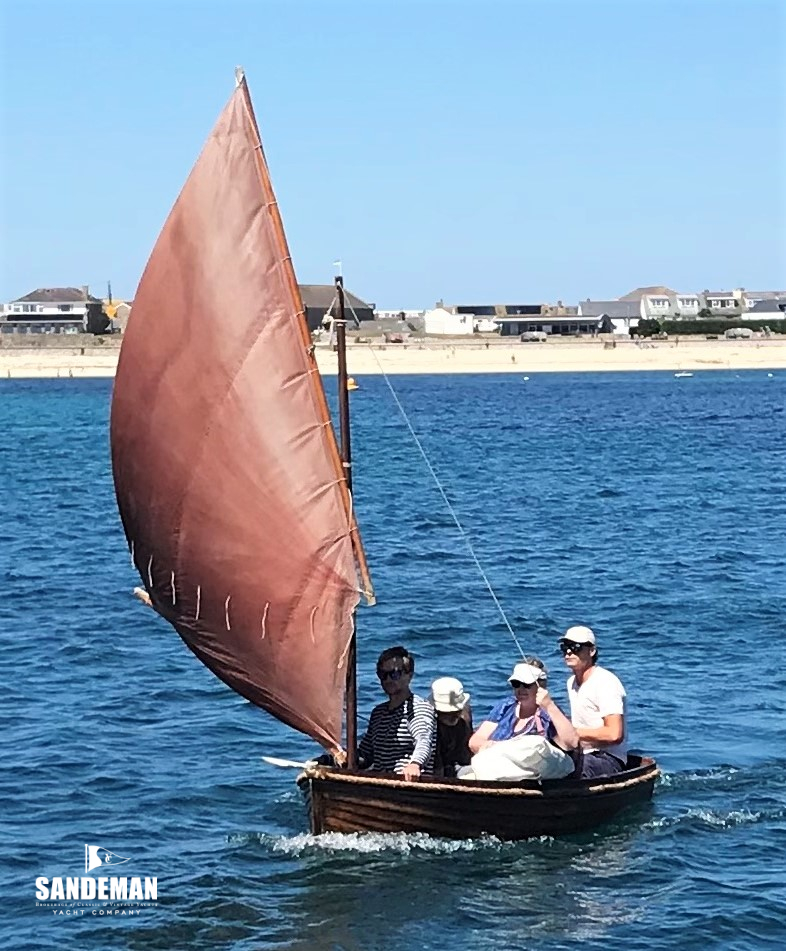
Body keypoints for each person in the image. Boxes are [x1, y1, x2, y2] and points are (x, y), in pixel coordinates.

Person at [357, 646, 436, 781]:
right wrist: (336, 757)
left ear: (409, 675)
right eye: (383, 675)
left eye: (394, 674)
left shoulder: (418, 708)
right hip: (380, 782)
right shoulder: (378, 713)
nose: (388, 680)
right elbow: (365, 754)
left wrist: (415, 764)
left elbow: (423, 740)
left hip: (408, 783)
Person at [559, 625, 627, 778]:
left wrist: (573, 733)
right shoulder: (571, 683)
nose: (569, 652)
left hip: (608, 759)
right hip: (581, 753)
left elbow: (614, 734)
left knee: (572, 769)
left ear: (592, 651)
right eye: (565, 647)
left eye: (575, 647)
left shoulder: (606, 682)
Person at [469, 662, 578, 756]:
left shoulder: (549, 713)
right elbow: (475, 741)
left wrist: (549, 706)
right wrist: (490, 746)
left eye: (526, 685)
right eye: (516, 684)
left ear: (540, 685)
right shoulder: (505, 707)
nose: (520, 690)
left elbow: (572, 742)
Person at [429, 677, 473, 778]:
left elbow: (466, 753)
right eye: (447, 713)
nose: (454, 716)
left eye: (457, 711)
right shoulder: (429, 722)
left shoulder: (465, 715)